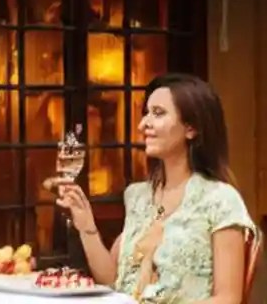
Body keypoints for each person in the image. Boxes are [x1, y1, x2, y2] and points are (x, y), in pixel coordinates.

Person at [57, 73, 256, 304]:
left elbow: (228, 300)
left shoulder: (220, 200)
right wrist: (87, 227)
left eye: (158, 114)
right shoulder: (139, 196)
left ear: (191, 128)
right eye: (146, 113)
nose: (144, 125)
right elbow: (113, 281)